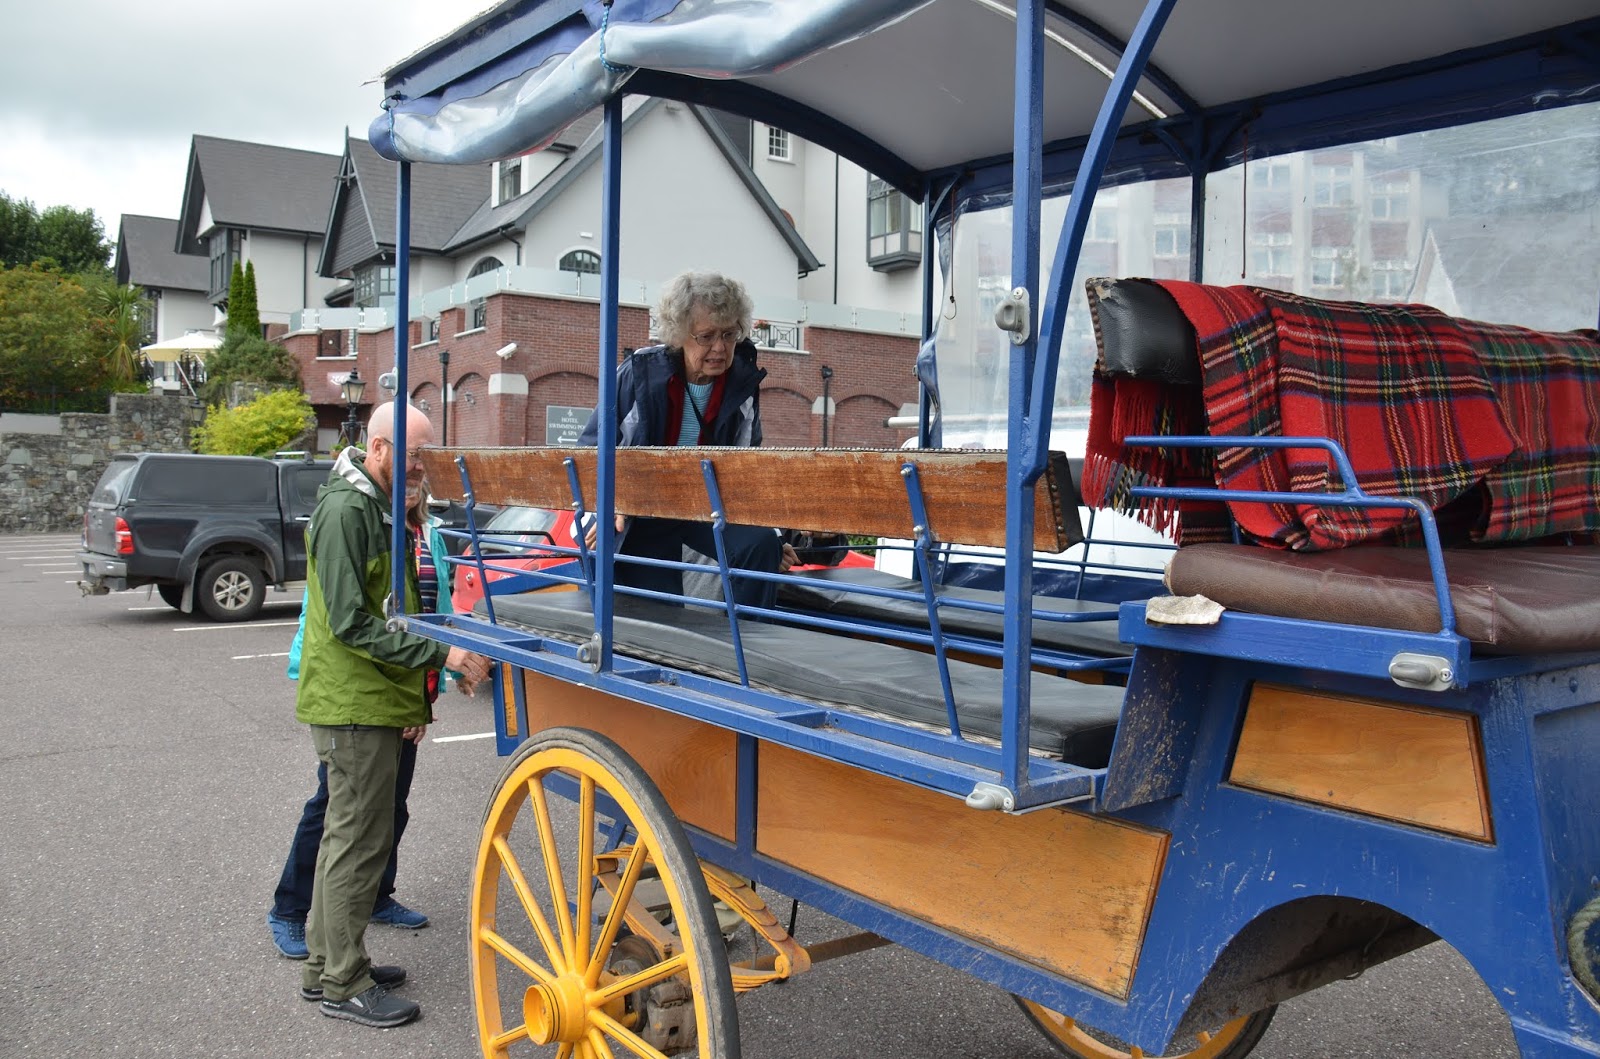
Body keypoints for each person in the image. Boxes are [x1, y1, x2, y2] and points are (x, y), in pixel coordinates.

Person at [294, 402, 490, 1028]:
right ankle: (343, 983)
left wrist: (424, 684)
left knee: (347, 841)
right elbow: (357, 624)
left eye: (427, 456)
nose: (422, 470)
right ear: (377, 449)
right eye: (412, 456)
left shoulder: (374, 507)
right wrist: (446, 655)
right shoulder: (349, 511)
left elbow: (392, 611)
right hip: (355, 706)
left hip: (368, 701)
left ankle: (327, 965)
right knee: (357, 844)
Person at [266, 485, 454, 961]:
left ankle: (374, 898)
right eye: (403, 480)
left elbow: (435, 616)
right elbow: (337, 620)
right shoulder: (356, 522)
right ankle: (290, 909)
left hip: (404, 685)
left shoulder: (426, 536)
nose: (411, 488)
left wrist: (423, 697)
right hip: (359, 691)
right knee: (334, 810)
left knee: (390, 805)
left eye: (418, 481)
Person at [577, 269, 797, 607]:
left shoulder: (742, 383)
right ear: (679, 335)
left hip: (703, 508)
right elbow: (590, 451)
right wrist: (610, 503)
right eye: (706, 336)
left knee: (761, 546)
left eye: (728, 334)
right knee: (657, 611)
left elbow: (747, 465)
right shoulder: (638, 374)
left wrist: (774, 535)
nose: (720, 348)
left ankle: (748, 650)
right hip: (642, 507)